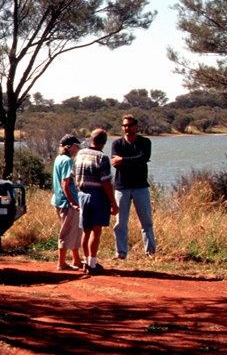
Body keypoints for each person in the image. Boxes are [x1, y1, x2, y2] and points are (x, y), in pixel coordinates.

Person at [111, 114, 157, 259]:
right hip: (121, 186)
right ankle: (121, 253)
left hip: (140, 186)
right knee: (120, 223)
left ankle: (150, 252)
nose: (127, 128)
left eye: (130, 125)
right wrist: (132, 161)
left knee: (146, 221)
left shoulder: (145, 142)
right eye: (124, 125)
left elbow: (143, 158)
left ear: (136, 127)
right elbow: (114, 162)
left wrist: (123, 160)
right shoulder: (117, 144)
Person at [74, 128, 118, 275]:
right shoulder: (102, 158)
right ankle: (92, 263)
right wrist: (113, 202)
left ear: (90, 139)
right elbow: (105, 182)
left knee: (86, 230)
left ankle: (86, 261)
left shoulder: (80, 154)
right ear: (104, 142)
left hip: (82, 194)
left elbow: (73, 176)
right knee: (96, 231)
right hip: (97, 195)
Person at [51, 134, 83, 271]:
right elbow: (65, 183)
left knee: (74, 230)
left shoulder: (59, 158)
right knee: (66, 232)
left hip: (58, 200)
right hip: (66, 202)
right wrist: (72, 202)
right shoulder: (68, 161)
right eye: (76, 146)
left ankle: (76, 259)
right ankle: (61, 263)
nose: (77, 149)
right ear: (69, 147)